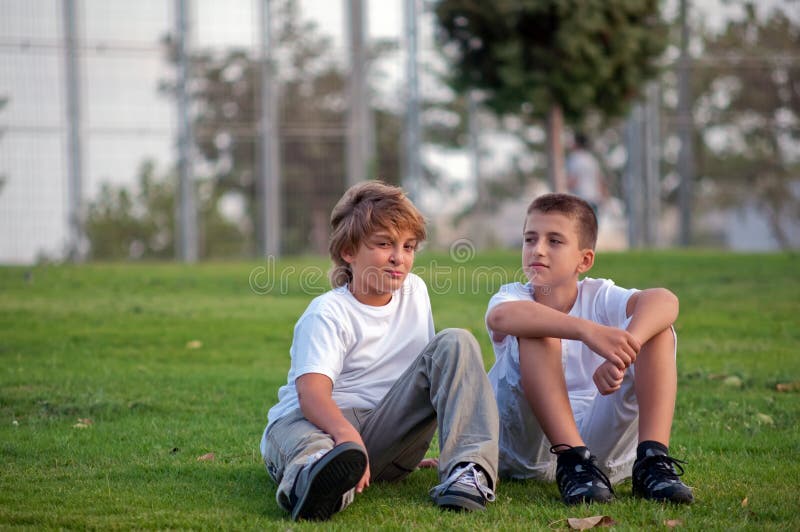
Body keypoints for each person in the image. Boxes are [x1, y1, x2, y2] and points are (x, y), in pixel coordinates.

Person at [260, 181, 499, 521]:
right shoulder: (327, 312)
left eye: (409, 246)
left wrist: (417, 447)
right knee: (314, 448)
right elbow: (311, 394)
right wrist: (346, 437)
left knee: (455, 341)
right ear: (348, 251)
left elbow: (426, 379)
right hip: (315, 423)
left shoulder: (415, 292)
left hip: (381, 431)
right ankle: (314, 483)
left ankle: (466, 469)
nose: (398, 258)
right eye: (384, 243)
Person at [485, 193, 693, 505]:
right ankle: (572, 462)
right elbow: (501, 317)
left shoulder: (599, 295)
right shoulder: (514, 296)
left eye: (554, 241)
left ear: (584, 260)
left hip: (596, 450)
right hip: (526, 448)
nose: (537, 249)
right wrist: (588, 331)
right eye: (530, 239)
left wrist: (625, 352)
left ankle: (652, 462)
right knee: (536, 329)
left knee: (657, 330)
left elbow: (665, 300)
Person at [566, 133, 606, 213]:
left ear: (576, 143)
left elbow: (573, 180)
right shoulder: (591, 159)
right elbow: (599, 179)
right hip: (594, 198)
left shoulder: (574, 158)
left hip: (580, 199)